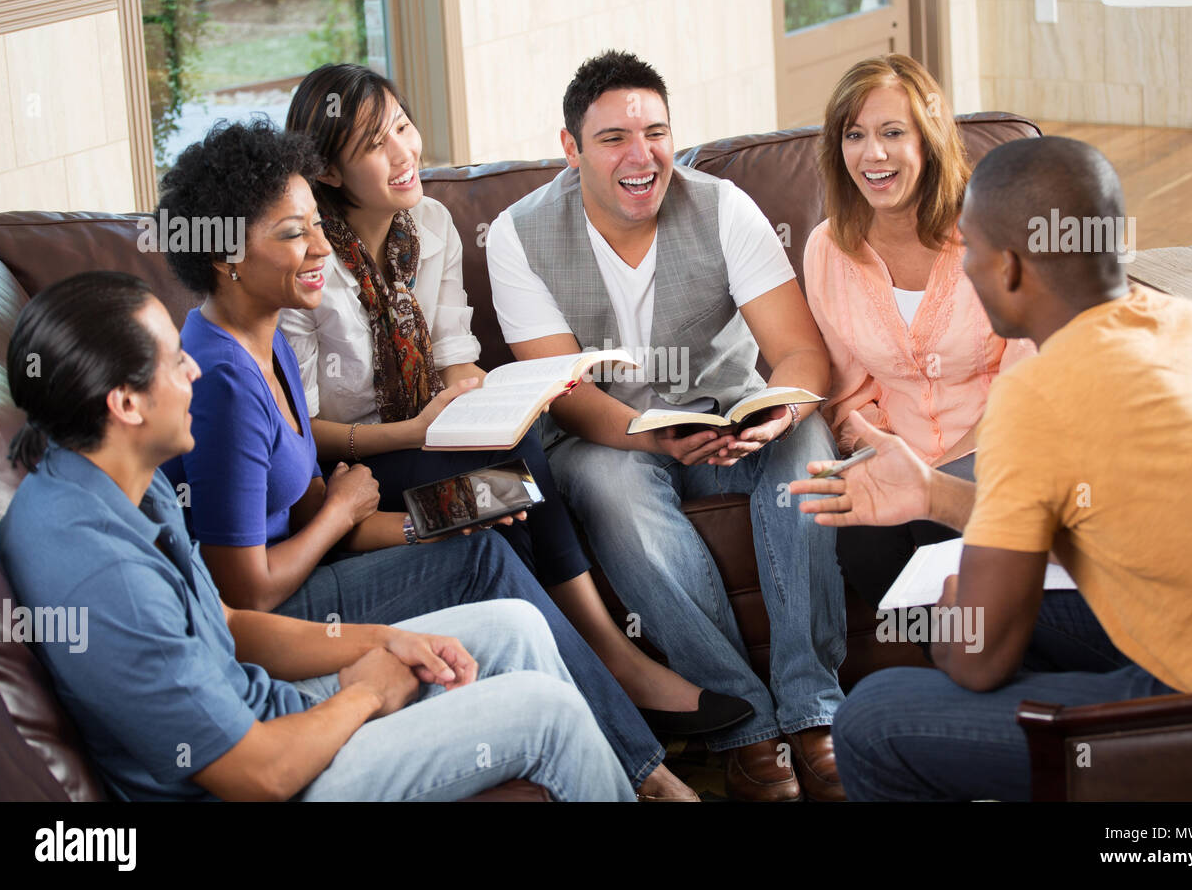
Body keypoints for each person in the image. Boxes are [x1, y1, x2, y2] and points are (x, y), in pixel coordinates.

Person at [157, 118, 694, 800]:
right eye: (294, 233)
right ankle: (643, 776)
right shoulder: (223, 382)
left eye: (316, 225)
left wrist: (430, 520)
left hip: (307, 571)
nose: (321, 246)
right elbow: (244, 590)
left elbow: (311, 510)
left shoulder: (267, 341)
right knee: (481, 561)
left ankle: (624, 764)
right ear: (225, 257)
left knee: (489, 520)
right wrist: (343, 510)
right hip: (282, 605)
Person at [0, 271, 633, 802]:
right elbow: (260, 773)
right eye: (172, 360)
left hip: (267, 710)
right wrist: (361, 695)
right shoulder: (105, 573)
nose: (193, 368)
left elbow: (231, 623)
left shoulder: (120, 472)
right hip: (263, 772)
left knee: (514, 625)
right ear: (125, 405)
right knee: (547, 714)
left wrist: (393, 639)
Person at [790, 136, 1192, 801]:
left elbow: (978, 662)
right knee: (1036, 613)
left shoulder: (1039, 393)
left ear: (1012, 268)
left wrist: (951, 622)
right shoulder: (1191, 326)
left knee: (871, 719)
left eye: (973, 251)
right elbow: (1099, 516)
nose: (964, 270)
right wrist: (936, 494)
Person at [278, 63, 747, 738]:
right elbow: (301, 433)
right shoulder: (308, 263)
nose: (404, 153)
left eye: (404, 127)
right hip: (355, 468)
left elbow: (455, 357)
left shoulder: (430, 224)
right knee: (511, 470)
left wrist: (479, 392)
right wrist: (410, 431)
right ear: (328, 172)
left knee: (510, 465)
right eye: (376, 145)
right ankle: (610, 661)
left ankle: (576, 680)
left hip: (425, 440)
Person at [486, 50, 847, 801]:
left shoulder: (722, 207)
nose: (640, 154)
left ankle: (813, 711)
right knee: (610, 487)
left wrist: (780, 409)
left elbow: (799, 351)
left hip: (727, 416)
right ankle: (746, 727)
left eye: (655, 132)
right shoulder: (520, 234)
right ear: (571, 148)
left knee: (812, 442)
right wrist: (647, 435)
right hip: (602, 436)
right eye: (613, 136)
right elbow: (564, 389)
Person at [804, 54, 1036, 608]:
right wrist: (888, 461)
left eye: (891, 132)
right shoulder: (827, 249)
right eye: (854, 135)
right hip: (898, 456)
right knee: (858, 539)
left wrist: (933, 478)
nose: (872, 154)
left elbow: (1026, 386)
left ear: (928, 140)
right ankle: (949, 674)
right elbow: (851, 394)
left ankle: (992, 672)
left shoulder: (995, 228)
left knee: (937, 523)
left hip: (1001, 445)